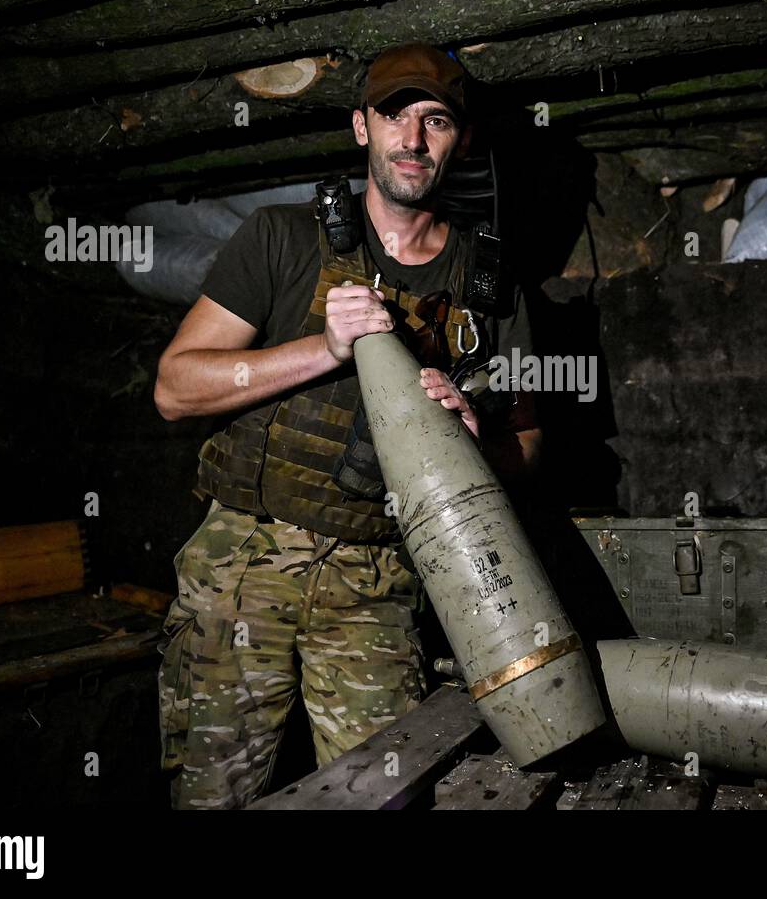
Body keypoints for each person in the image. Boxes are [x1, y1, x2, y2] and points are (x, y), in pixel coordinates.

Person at [152, 42, 540, 809]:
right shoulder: (280, 238)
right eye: (397, 116)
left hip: (377, 582)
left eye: (437, 121)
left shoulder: (489, 285)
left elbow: (531, 445)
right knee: (210, 797)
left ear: (459, 141)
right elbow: (174, 387)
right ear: (362, 128)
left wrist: (476, 441)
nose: (415, 140)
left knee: (386, 796)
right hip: (242, 572)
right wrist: (322, 350)